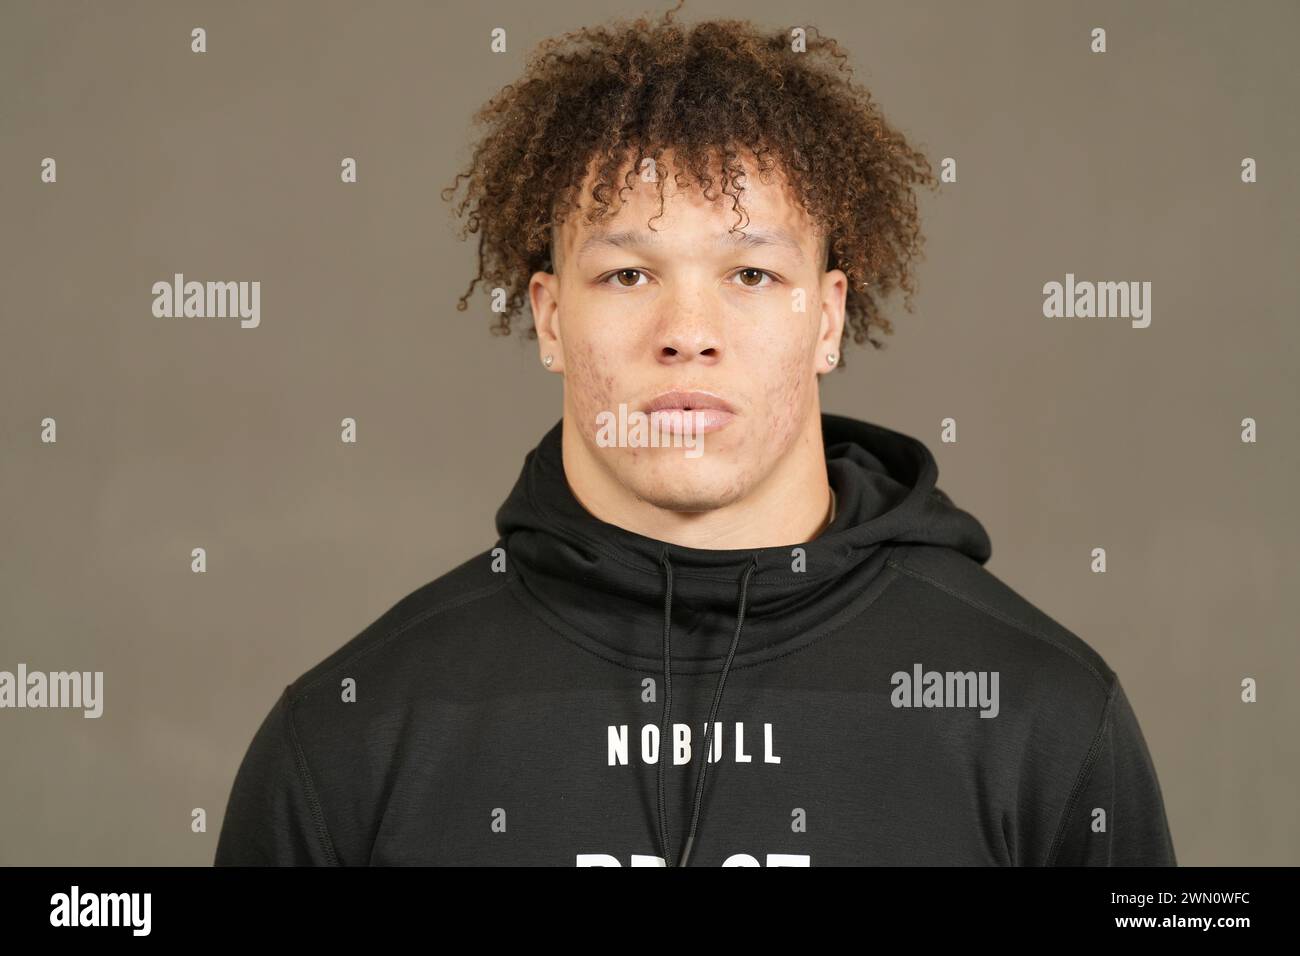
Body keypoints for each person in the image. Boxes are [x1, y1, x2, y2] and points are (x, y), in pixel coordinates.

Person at [214, 3, 1176, 866]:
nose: (687, 332)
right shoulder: (356, 731)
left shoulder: (1036, 714)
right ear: (550, 319)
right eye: (627, 275)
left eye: (750, 275)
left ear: (828, 319)